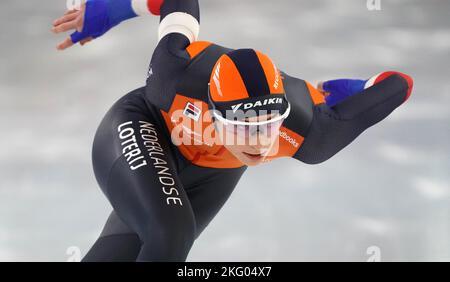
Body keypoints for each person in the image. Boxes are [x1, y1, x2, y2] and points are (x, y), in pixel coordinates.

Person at [52, 0, 413, 262]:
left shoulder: (308, 134)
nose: (258, 143)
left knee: (127, 249)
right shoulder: (173, 77)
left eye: (268, 125)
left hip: (215, 170)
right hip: (146, 126)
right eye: (242, 128)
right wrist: (107, 10)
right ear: (214, 113)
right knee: (170, 233)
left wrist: (348, 91)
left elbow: (397, 83)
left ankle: (315, 96)